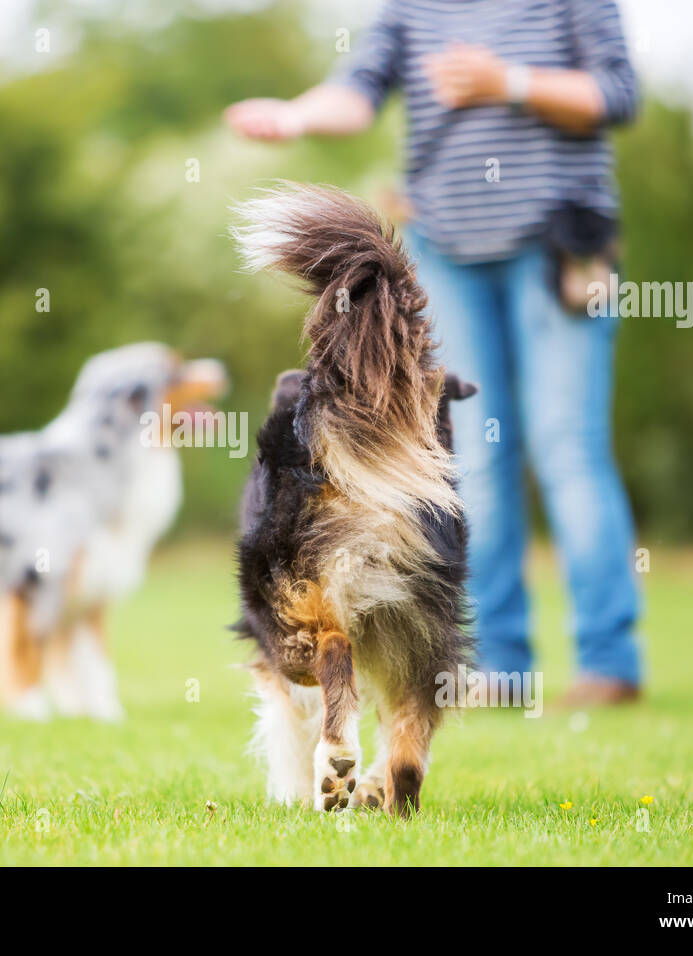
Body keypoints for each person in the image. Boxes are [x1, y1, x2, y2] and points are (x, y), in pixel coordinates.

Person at [225, 0, 643, 706]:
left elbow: (617, 94)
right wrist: (296, 116)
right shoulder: (414, 7)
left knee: (568, 447)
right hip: (445, 254)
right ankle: (499, 667)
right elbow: (357, 94)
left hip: (561, 247)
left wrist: (507, 83)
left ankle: (608, 662)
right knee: (471, 455)